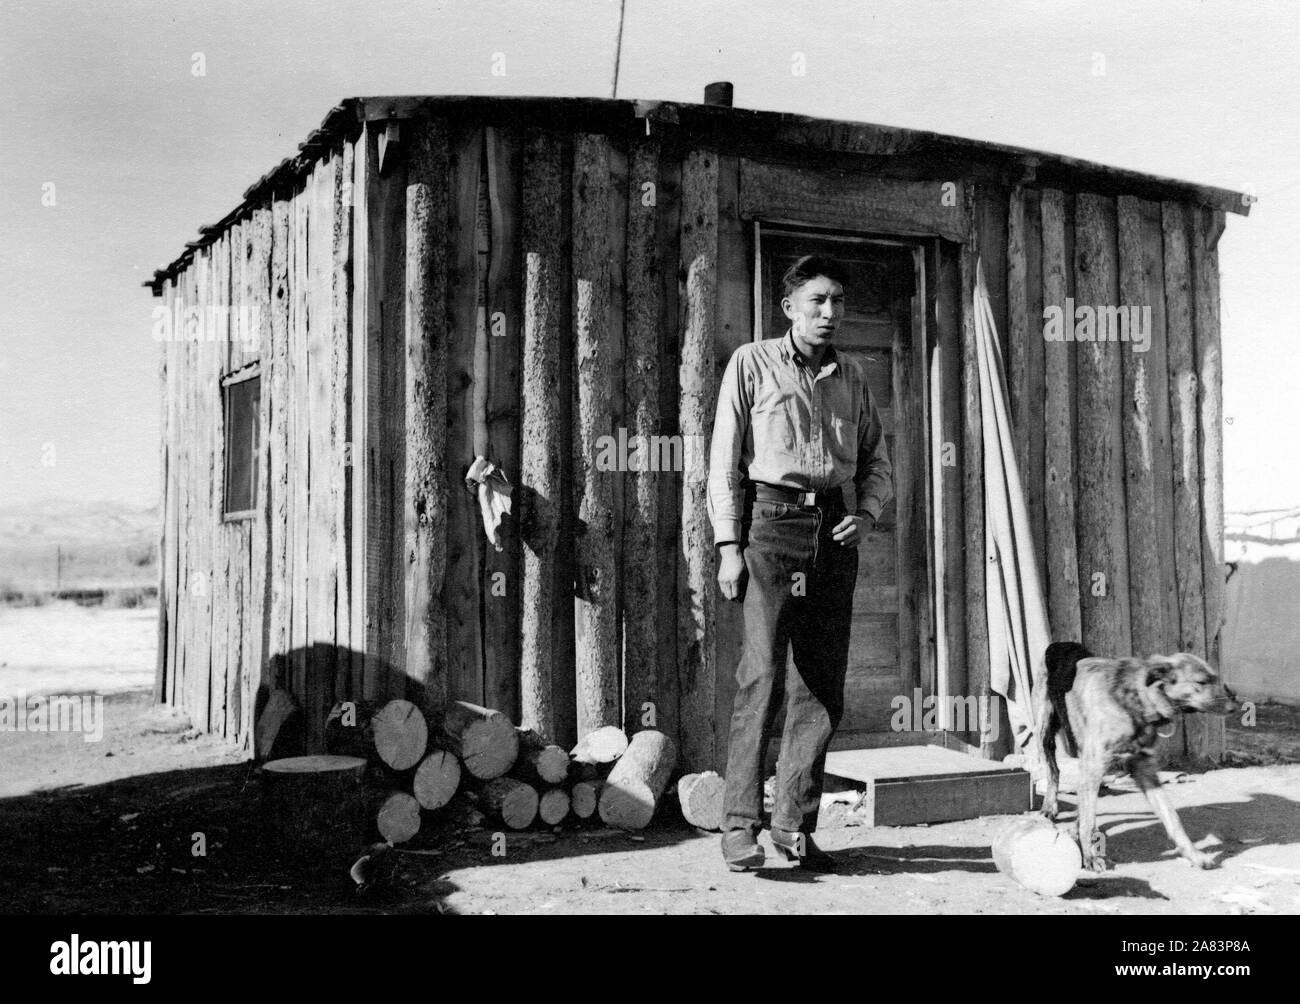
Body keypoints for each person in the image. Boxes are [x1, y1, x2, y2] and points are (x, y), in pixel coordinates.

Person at [708, 254, 894, 872]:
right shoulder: (752, 363)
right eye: (817, 300)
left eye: (838, 301)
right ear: (789, 307)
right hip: (771, 528)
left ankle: (794, 825)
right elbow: (724, 461)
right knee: (761, 678)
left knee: (821, 685)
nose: (830, 312)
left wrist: (865, 516)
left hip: (834, 535)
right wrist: (729, 546)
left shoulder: (854, 377)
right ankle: (740, 826)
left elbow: (877, 460)